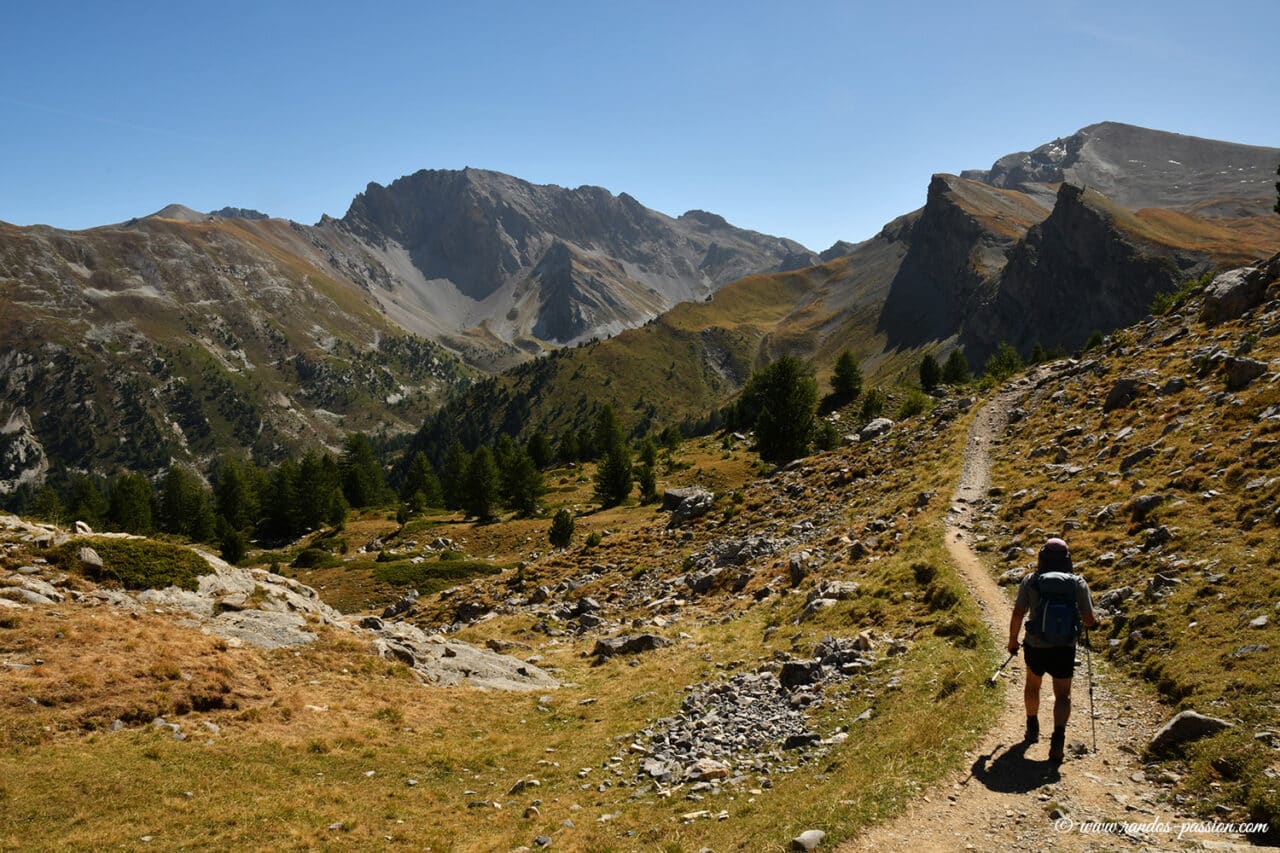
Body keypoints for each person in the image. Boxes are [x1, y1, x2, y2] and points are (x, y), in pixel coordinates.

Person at [1007, 537, 1097, 763]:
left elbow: (1018, 612)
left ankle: (1032, 726)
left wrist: (1012, 640)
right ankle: (1058, 737)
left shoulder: (1031, 580)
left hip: (1036, 644)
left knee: (1032, 685)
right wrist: (1091, 622)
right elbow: (1089, 619)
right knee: (1063, 694)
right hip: (1064, 646)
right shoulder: (1077, 583)